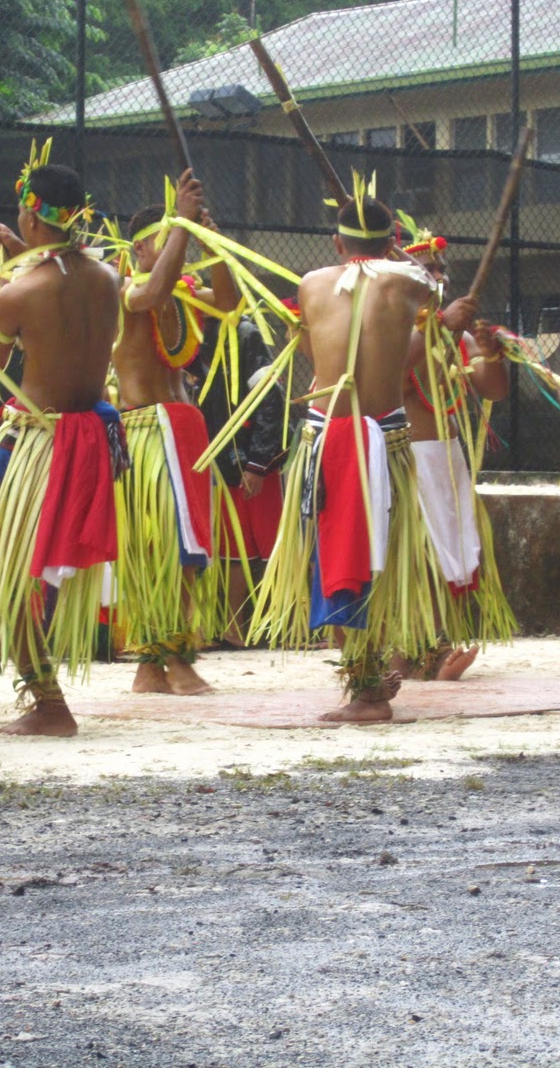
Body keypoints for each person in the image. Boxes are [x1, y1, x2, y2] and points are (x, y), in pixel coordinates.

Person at [247, 185, 474, 721]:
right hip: (384, 435)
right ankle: (372, 680)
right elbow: (406, 333)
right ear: (393, 241)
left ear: (336, 241)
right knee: (382, 558)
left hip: (328, 433)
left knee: (340, 555)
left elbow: (322, 341)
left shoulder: (310, 284)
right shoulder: (414, 282)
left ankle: (369, 688)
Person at [0, 152, 125, 736]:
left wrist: (11, 271)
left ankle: (48, 705)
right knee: (33, 569)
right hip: (88, 435)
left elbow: (0, 355)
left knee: (7, 569)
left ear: (35, 218)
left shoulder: (18, 292)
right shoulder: (109, 279)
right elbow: (64, 298)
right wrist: (24, 253)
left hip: (37, 440)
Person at [109, 171, 233, 693]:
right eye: (164, 236)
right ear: (140, 247)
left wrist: (211, 241)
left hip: (183, 429)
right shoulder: (128, 289)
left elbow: (228, 303)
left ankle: (154, 664)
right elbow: (152, 288)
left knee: (187, 546)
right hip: (146, 431)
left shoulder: (183, 291)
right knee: (159, 547)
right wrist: (180, 220)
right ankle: (168, 659)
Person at [398, 233, 514, 680]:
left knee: (456, 554)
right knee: (419, 555)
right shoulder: (397, 331)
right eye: (429, 267)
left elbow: (492, 390)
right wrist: (437, 327)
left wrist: (490, 355)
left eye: (442, 268)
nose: (440, 275)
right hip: (407, 460)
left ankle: (436, 645)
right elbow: (389, 375)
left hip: (448, 458)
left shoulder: (454, 334)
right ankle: (414, 649)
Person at [189, 310, 287, 648]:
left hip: (253, 459)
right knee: (233, 548)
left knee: (272, 545)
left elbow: (271, 399)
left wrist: (258, 462)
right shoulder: (187, 334)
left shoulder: (245, 334)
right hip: (217, 462)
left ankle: (285, 625)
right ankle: (233, 627)